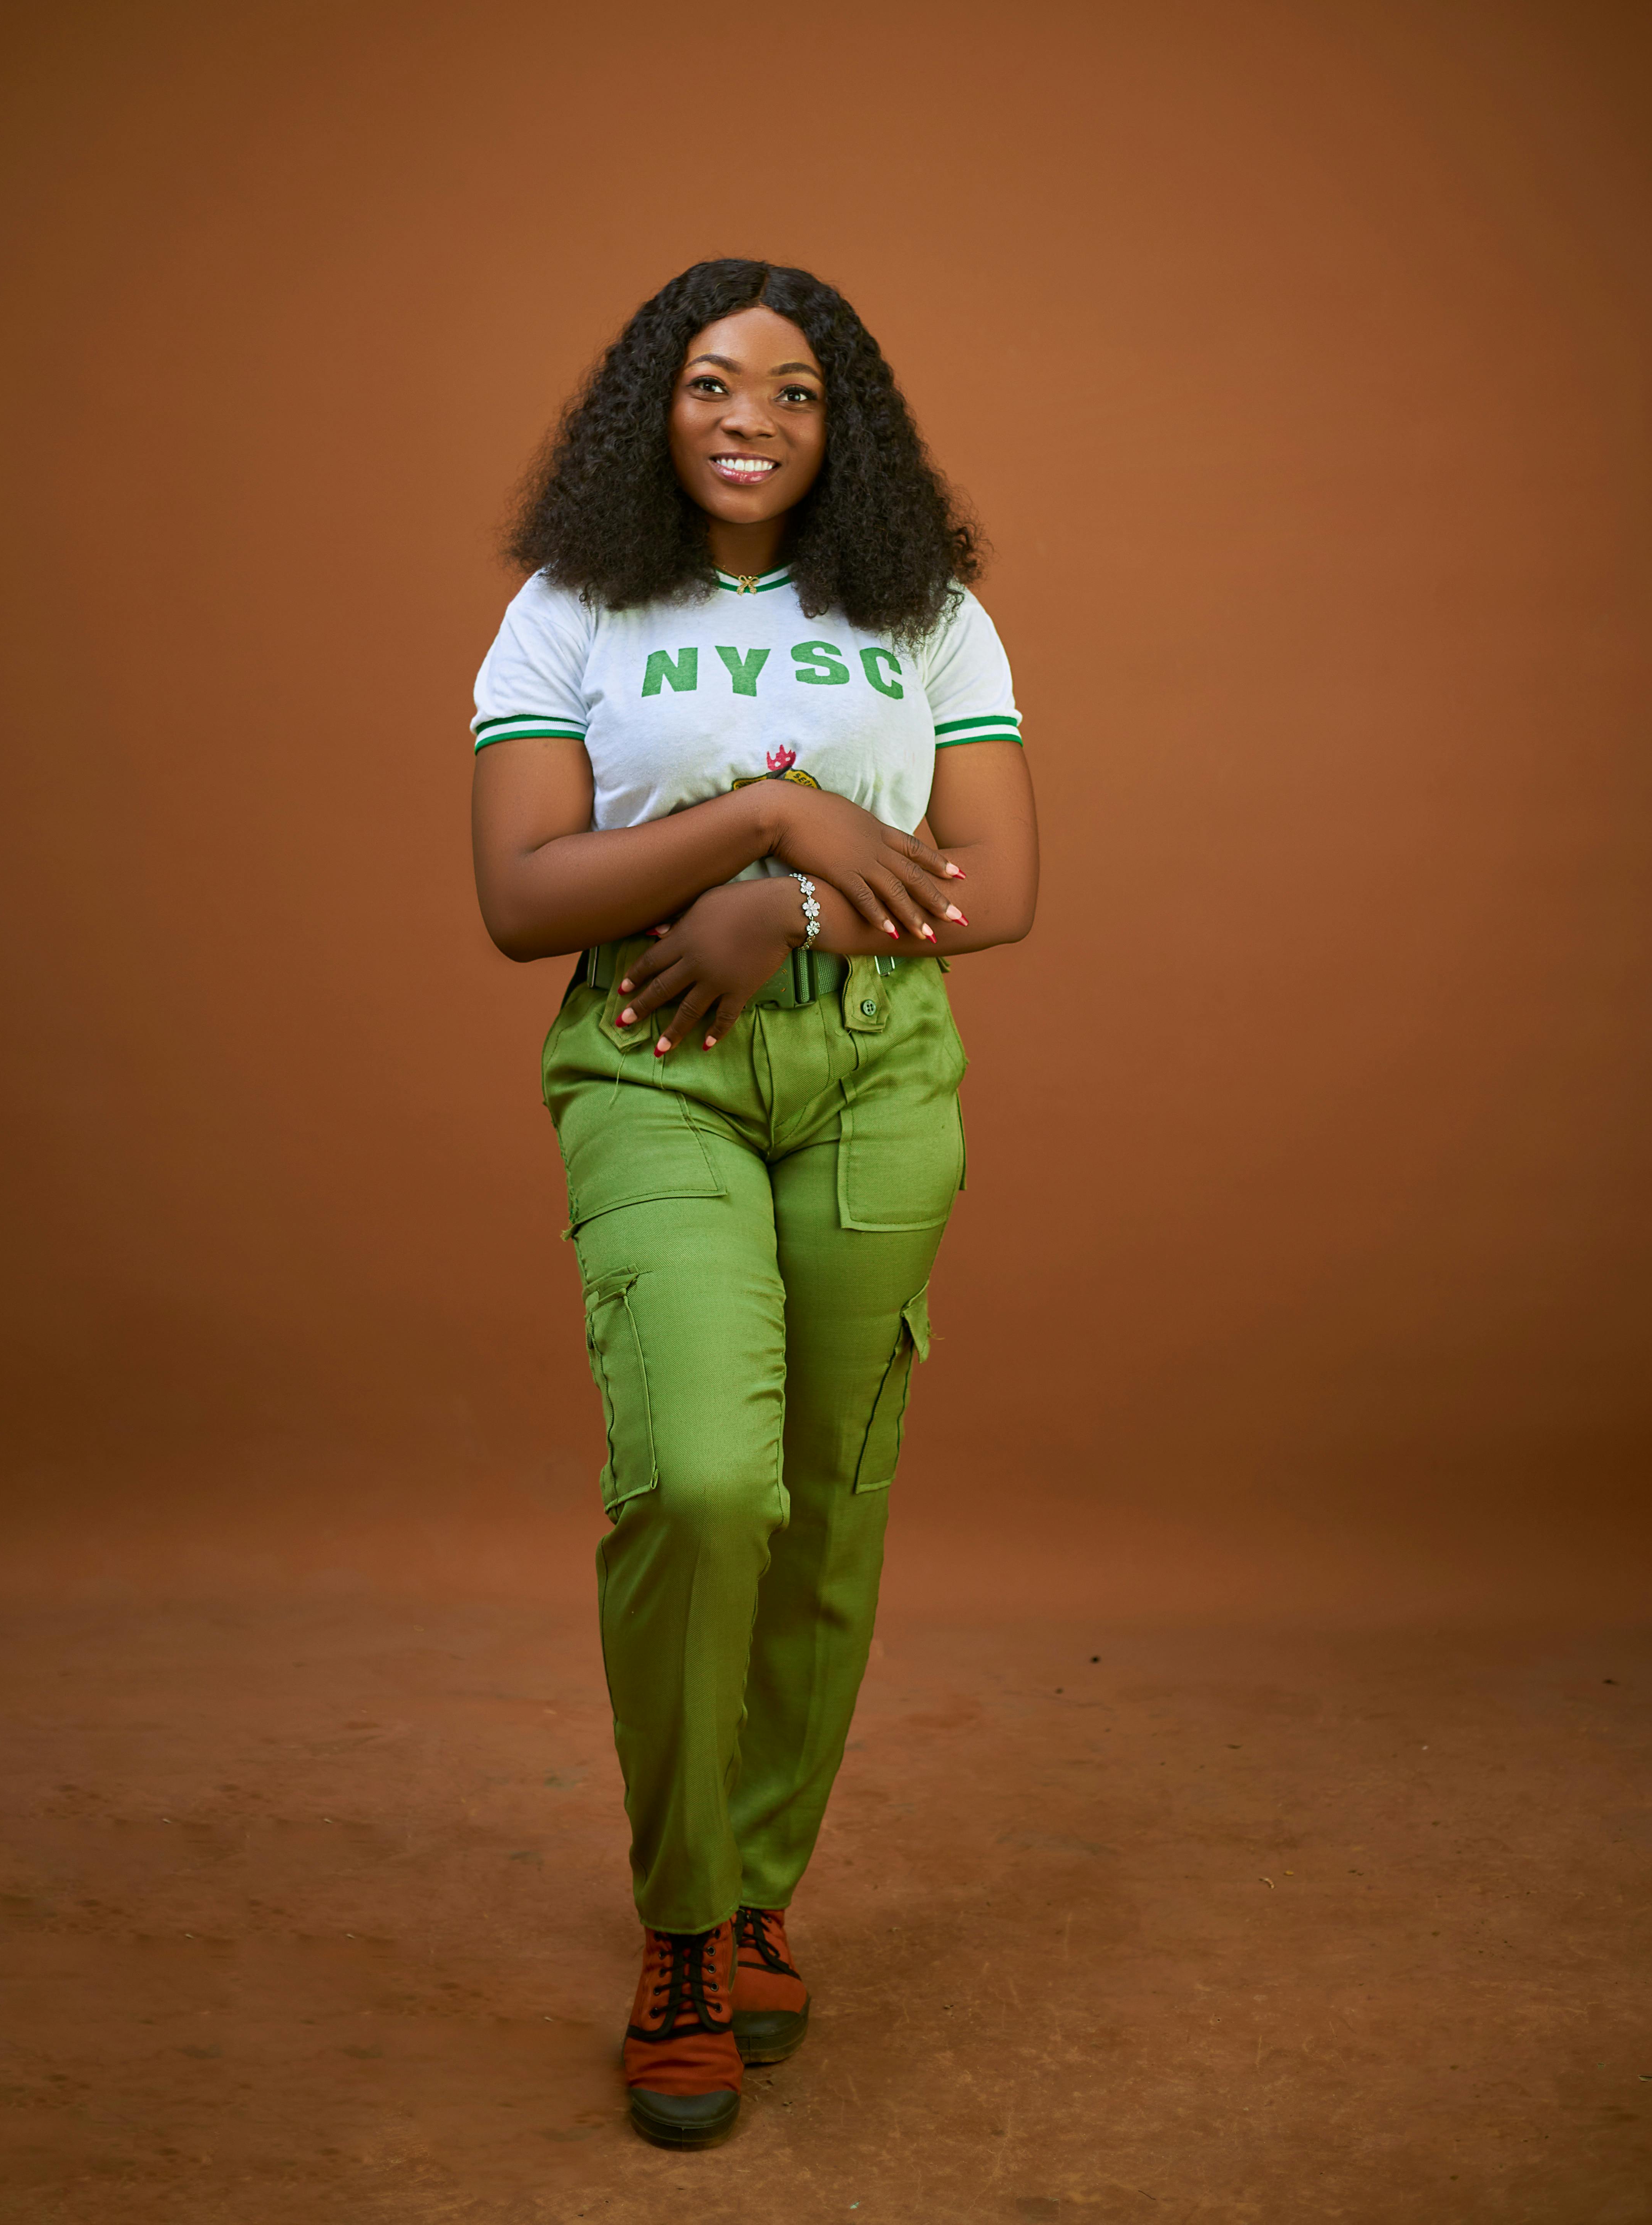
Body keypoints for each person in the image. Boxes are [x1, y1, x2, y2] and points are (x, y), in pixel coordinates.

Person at [471, 258, 1038, 2149]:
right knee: (705, 1485)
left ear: (838, 424)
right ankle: (681, 1920)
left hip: (876, 1067)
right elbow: (521, 896)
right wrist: (768, 826)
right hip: (654, 1060)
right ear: (656, 402)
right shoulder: (568, 608)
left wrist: (790, 915)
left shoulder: (925, 609)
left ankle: (753, 1899)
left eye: (797, 391)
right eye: (715, 381)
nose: (752, 419)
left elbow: (999, 883)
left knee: (827, 1502)